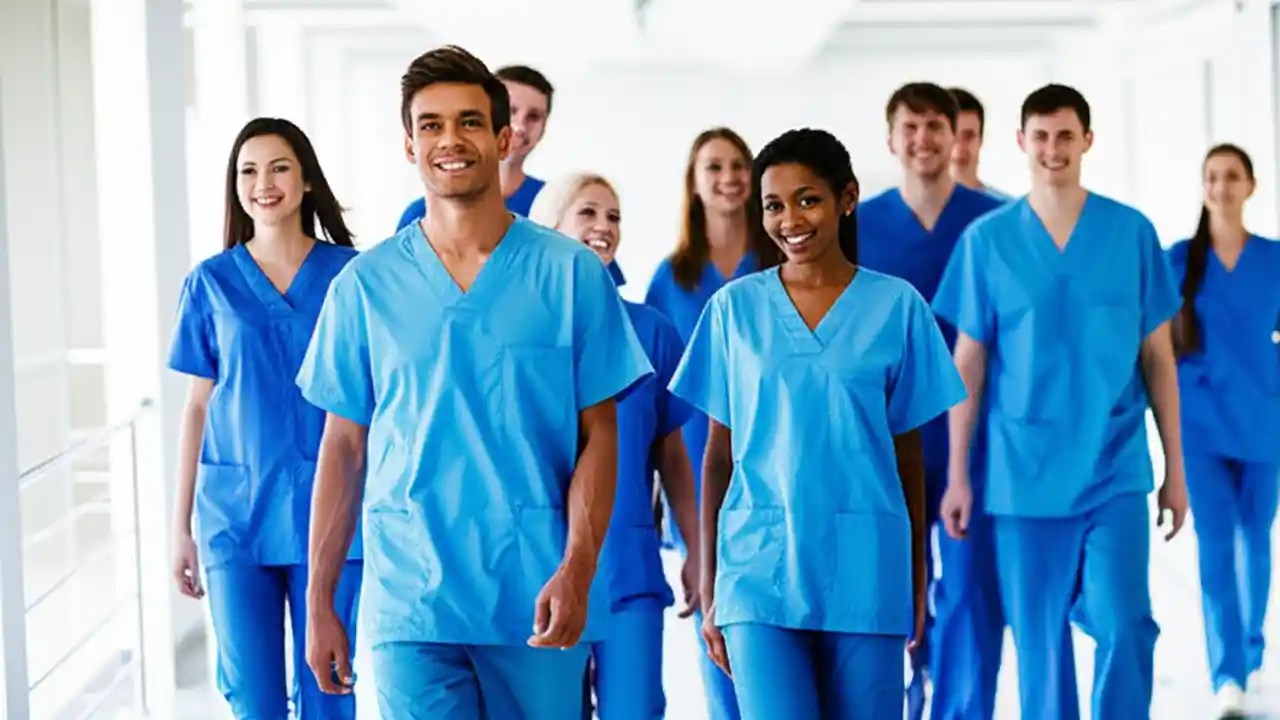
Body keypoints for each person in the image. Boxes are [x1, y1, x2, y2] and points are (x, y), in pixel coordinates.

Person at [296, 46, 652, 719]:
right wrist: (320, 603)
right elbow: (341, 449)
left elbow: (600, 435)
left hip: (537, 589)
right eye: (429, 125)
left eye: (468, 122)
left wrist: (576, 570)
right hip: (412, 597)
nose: (449, 140)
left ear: (503, 137)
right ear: (408, 144)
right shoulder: (365, 288)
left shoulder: (570, 275)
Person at [670, 127, 966, 719]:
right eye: (774, 205)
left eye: (808, 199)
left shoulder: (897, 306)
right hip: (759, 569)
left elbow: (907, 456)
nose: (789, 219)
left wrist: (914, 577)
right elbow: (717, 456)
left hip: (866, 566)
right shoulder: (734, 310)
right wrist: (709, 582)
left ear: (846, 198)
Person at [932, 83, 1190, 720]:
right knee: (1042, 647)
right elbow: (969, 363)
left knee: (1127, 622)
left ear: (1088, 141)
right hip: (1024, 474)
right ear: (1021, 142)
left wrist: (1175, 472)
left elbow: (1158, 357)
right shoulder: (989, 242)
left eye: (1065, 136)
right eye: (1040, 136)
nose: (1053, 149)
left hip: (1116, 466)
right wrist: (959, 474)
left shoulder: (1131, 233)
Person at [168, 117, 363, 720]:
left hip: (329, 517)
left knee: (328, 690)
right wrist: (180, 527)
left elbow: (373, 397)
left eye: (278, 167)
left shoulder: (350, 275)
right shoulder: (211, 283)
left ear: (305, 180)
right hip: (235, 517)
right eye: (248, 171)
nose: (263, 183)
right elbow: (197, 406)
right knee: (252, 700)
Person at [857, 81, 1006, 720]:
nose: (922, 140)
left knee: (971, 591)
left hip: (974, 438)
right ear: (891, 140)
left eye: (935, 127)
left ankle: (962, 710)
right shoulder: (856, 227)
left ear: (958, 137)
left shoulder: (997, 225)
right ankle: (902, 699)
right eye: (909, 127)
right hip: (884, 435)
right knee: (891, 591)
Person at [530, 173, 702, 720]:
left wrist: (698, 552)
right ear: (551, 227)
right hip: (539, 564)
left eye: (613, 216)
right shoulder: (522, 333)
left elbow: (672, 458)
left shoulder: (652, 333)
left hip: (628, 569)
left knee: (637, 709)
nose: (604, 227)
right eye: (588, 213)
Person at [643, 126, 779, 720]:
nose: (729, 178)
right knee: (716, 624)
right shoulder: (672, 278)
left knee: (772, 628)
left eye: (738, 166)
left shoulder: (779, 263)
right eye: (714, 168)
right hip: (698, 473)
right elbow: (650, 393)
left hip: (774, 465)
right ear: (694, 185)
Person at [1167, 143, 1280, 719]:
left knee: (1256, 543)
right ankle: (1227, 674)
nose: (1221, 186)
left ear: (1251, 186)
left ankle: (1251, 647)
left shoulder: (1276, 259)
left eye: (1232, 176)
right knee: (1214, 548)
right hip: (1201, 426)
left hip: (1265, 420)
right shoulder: (1179, 259)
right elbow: (1152, 344)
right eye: (1212, 176)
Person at [394, 64, 554, 229]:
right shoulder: (419, 215)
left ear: (544, 127)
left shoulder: (556, 203)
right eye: (510, 111)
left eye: (533, 117)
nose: (520, 126)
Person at [948, 87, 1010, 201]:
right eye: (952, 136)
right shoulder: (913, 211)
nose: (959, 149)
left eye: (968, 136)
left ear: (981, 139)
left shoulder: (1009, 211)